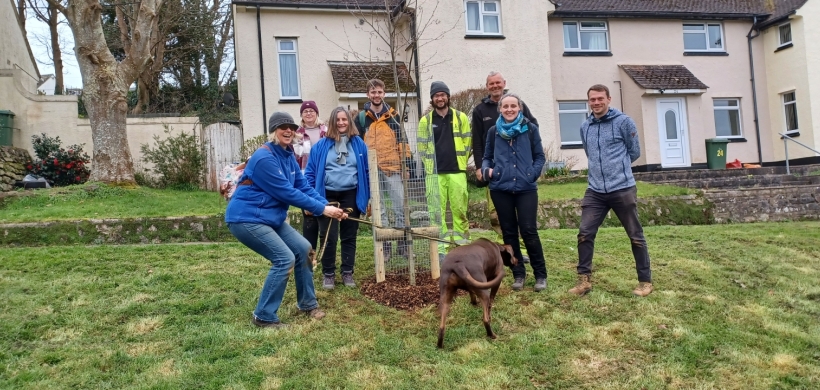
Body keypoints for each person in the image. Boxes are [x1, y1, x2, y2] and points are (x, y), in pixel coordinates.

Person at [226, 112, 347, 328]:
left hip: (270, 217)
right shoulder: (264, 158)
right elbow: (287, 193)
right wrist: (322, 210)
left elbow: (302, 186)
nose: (288, 130)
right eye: (283, 127)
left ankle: (307, 304)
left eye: (291, 126)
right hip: (246, 219)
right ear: (274, 131)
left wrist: (329, 206)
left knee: (303, 249)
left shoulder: (288, 155)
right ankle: (263, 316)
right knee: (284, 259)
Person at [569, 84, 653, 297]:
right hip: (595, 190)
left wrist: (617, 168)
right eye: (592, 100)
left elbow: (634, 152)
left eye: (600, 99)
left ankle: (645, 282)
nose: (596, 103)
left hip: (622, 188)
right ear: (588, 102)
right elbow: (590, 153)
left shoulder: (624, 122)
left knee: (635, 236)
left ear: (609, 99)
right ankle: (584, 281)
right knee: (585, 233)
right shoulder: (585, 126)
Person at [481, 93, 547, 292]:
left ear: (520, 108)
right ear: (500, 109)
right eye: (505, 106)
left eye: (513, 106)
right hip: (501, 189)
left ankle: (540, 274)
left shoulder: (530, 130)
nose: (509, 109)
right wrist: (488, 171)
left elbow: (539, 157)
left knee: (528, 231)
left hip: (526, 188)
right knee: (509, 233)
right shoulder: (494, 132)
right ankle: (518, 274)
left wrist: (531, 174)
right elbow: (486, 157)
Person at [471, 71, 538, 263]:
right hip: (495, 172)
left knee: (524, 218)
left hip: (520, 173)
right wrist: (479, 167)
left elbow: (533, 130)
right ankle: (509, 248)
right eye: (491, 83)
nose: (495, 86)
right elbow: (477, 141)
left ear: (504, 83)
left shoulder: (518, 105)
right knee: (497, 215)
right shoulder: (480, 111)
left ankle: (522, 251)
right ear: (487, 86)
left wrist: (531, 165)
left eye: (498, 83)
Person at [305, 107, 370, 290]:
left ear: (349, 121)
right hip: (327, 194)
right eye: (338, 120)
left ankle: (347, 272)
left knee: (349, 235)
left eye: (344, 119)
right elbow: (310, 173)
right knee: (329, 236)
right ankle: (329, 274)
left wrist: (368, 198)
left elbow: (366, 172)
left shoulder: (359, 144)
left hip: (351, 193)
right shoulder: (321, 146)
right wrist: (311, 198)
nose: (341, 123)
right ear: (332, 123)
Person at [354, 79, 412, 258]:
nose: (376, 95)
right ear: (368, 95)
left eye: (379, 92)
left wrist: (406, 165)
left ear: (384, 94)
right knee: (380, 209)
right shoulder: (361, 118)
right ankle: (385, 244)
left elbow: (403, 142)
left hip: (393, 167)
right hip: (371, 169)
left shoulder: (394, 116)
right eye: (373, 92)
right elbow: (357, 144)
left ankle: (403, 243)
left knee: (399, 205)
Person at [417, 81, 471, 261]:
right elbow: (422, 147)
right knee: (435, 213)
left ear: (448, 96)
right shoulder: (425, 121)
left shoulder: (460, 117)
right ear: (432, 99)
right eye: (436, 95)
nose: (440, 98)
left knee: (459, 210)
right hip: (435, 174)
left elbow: (467, 142)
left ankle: (462, 247)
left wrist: (461, 162)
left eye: (442, 94)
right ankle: (440, 250)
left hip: (457, 172)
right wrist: (429, 166)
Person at [294, 101, 327, 252]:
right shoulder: (297, 134)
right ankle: (310, 254)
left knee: (325, 217)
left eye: (311, 110)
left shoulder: (326, 131)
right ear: (301, 115)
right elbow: (294, 159)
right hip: (305, 180)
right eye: (305, 111)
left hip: (325, 179)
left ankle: (324, 253)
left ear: (316, 113)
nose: (308, 113)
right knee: (309, 217)